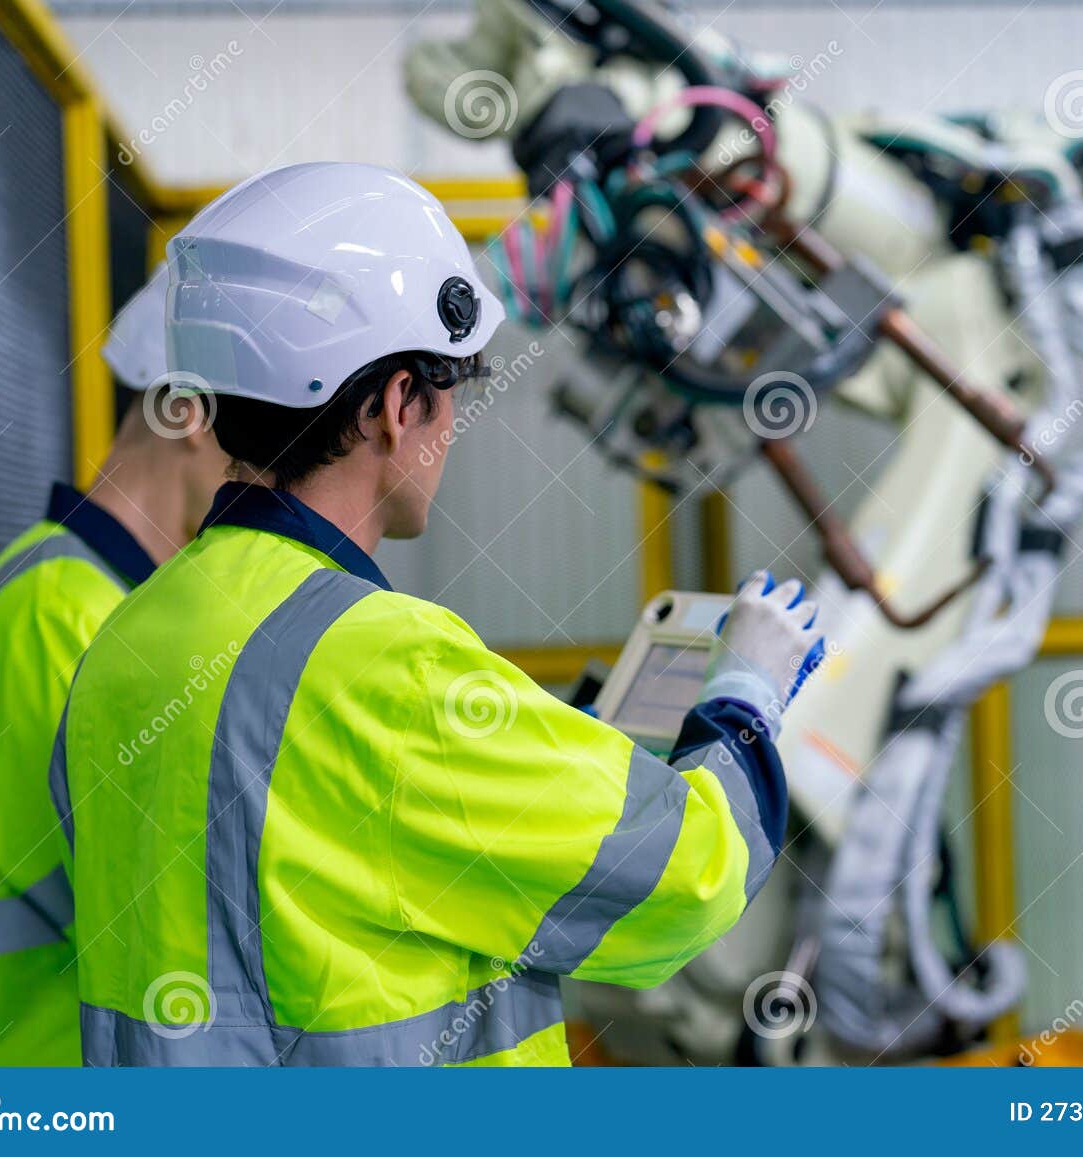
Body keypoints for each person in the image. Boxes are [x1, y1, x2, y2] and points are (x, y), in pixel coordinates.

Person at [51, 161, 823, 1067]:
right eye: (453, 389)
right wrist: (744, 698)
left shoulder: (126, 637)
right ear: (396, 405)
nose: (451, 424)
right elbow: (689, 877)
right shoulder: (389, 663)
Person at [0, 266, 229, 1066]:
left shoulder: (114, 603)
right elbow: (142, 901)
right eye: (267, 433)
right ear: (188, 411)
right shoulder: (53, 611)